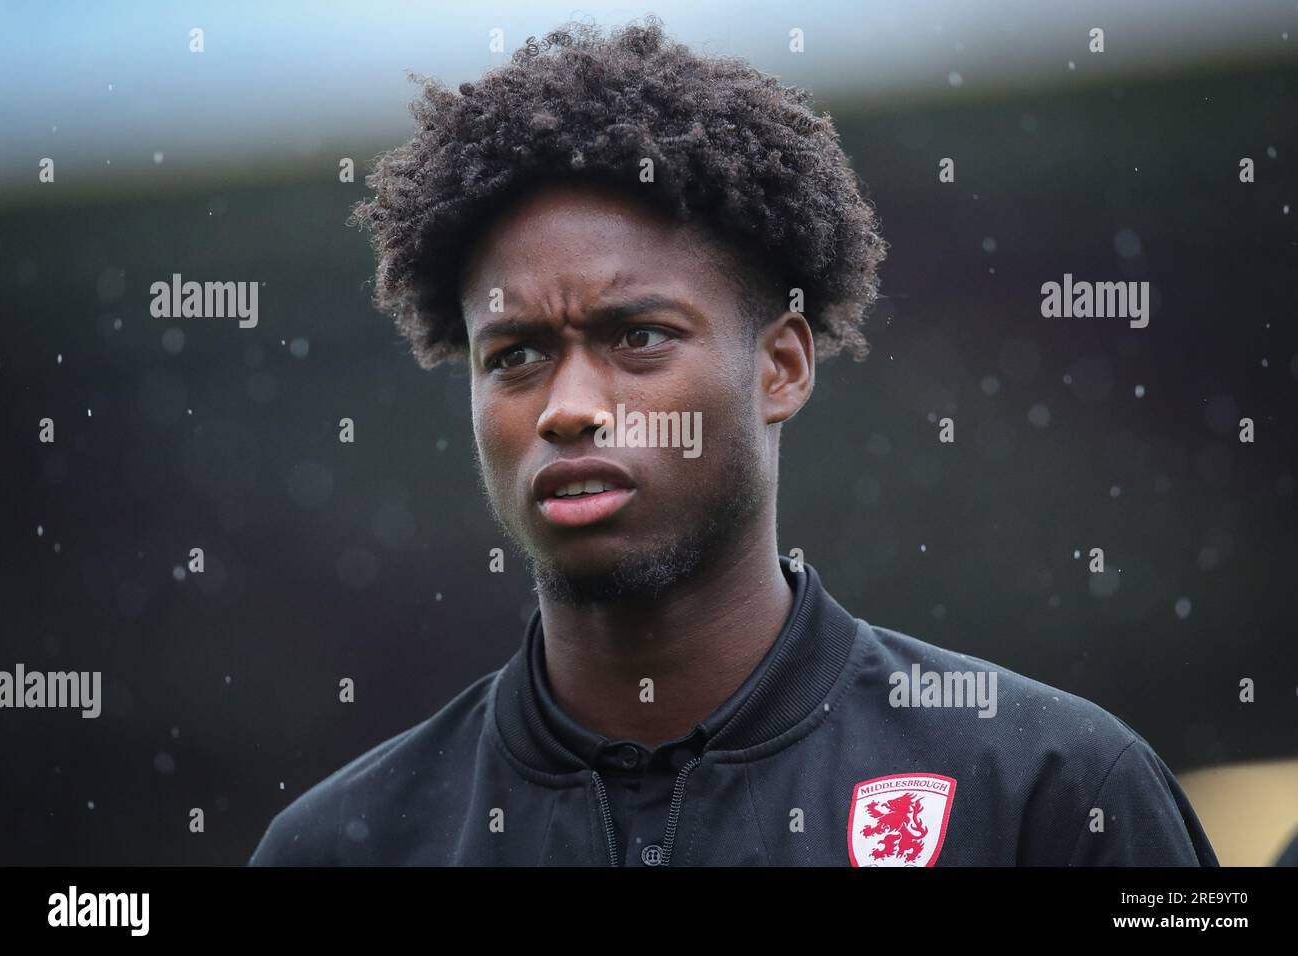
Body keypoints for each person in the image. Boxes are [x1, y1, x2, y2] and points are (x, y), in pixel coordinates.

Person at [249, 16, 1216, 866]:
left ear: (781, 369)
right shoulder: (342, 844)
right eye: (515, 355)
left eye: (640, 338)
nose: (569, 406)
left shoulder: (1052, 794)